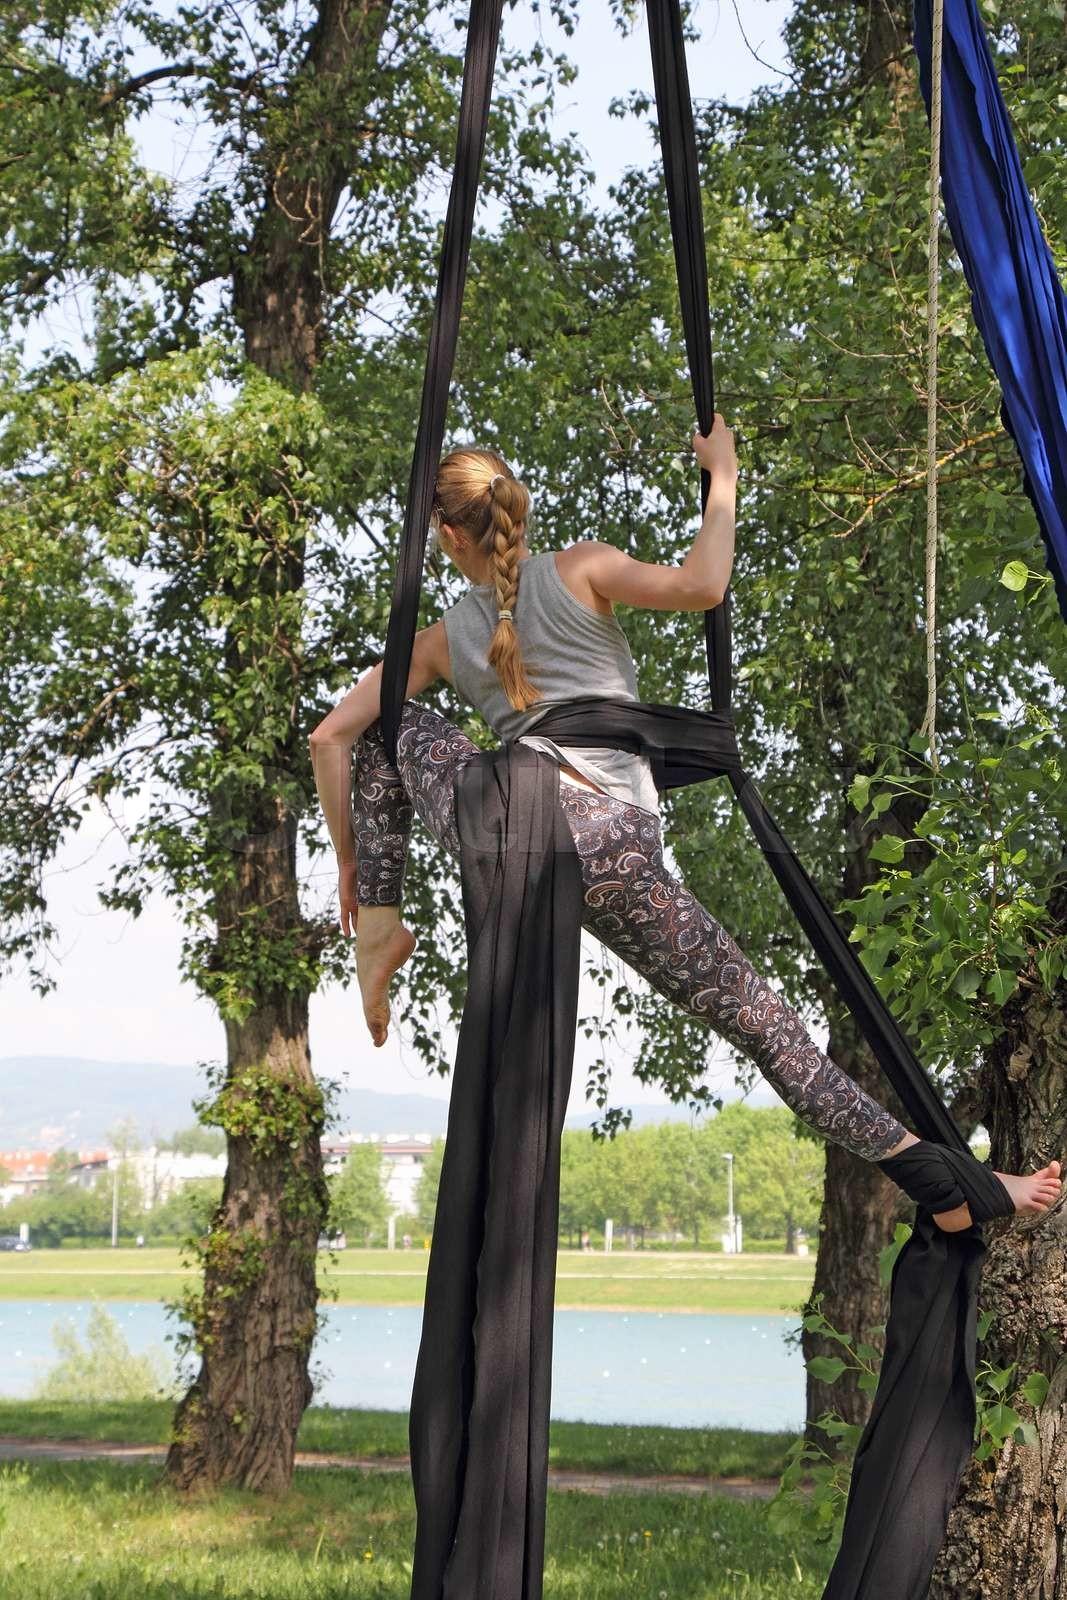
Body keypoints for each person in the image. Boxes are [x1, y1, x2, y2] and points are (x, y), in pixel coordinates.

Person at [309, 416, 1061, 1234]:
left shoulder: (435, 640)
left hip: (510, 837)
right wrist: (724, 473)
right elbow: (704, 584)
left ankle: (380, 925)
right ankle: (947, 1185)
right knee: (764, 1027)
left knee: (389, 721)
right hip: (612, 852)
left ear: (445, 536)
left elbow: (330, 738)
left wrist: (354, 868)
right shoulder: (583, 567)